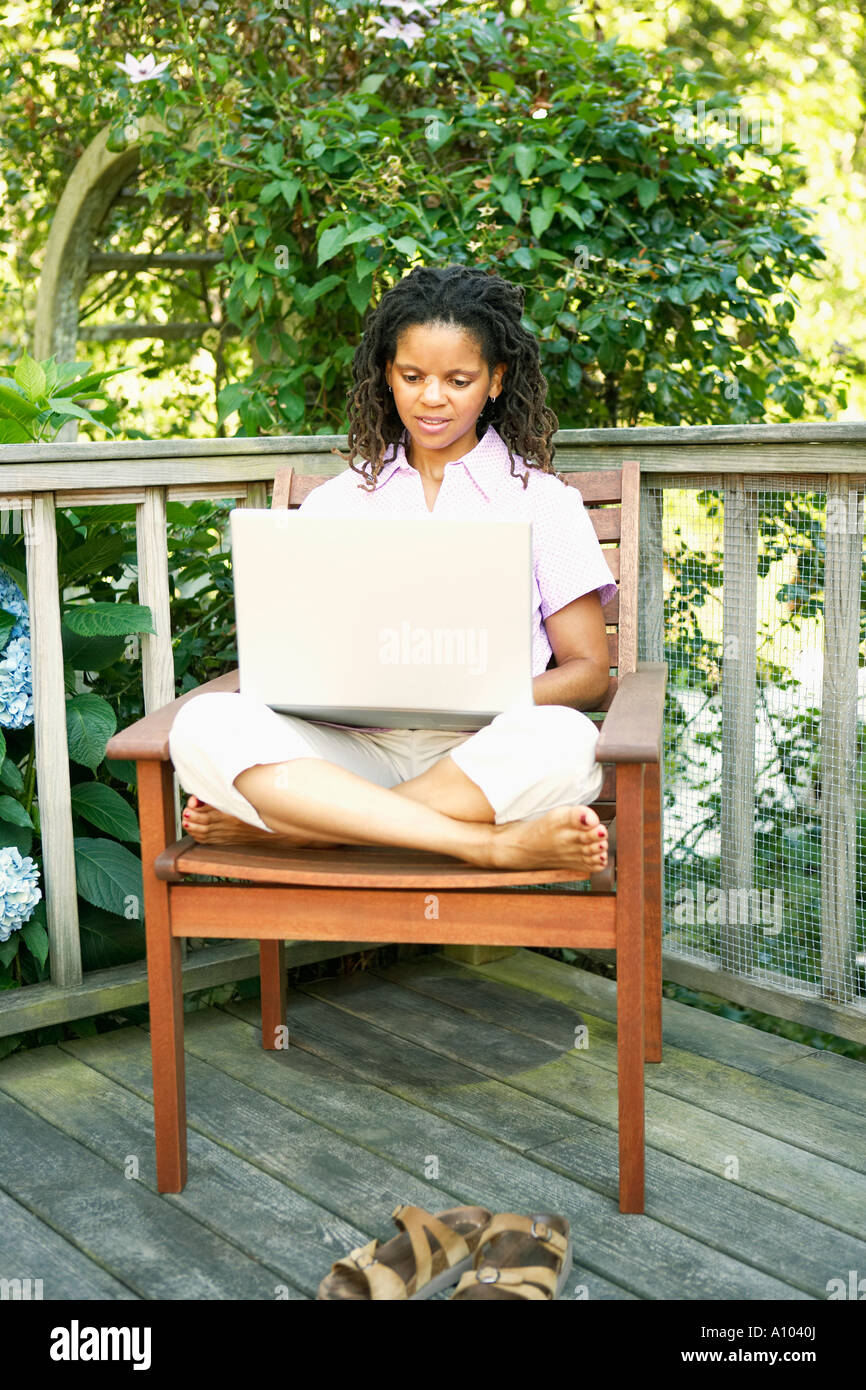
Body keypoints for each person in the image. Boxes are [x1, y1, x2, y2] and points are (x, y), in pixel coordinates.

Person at [170, 264, 617, 875]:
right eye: (413, 377)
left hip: (480, 752)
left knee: (569, 744)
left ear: (495, 381)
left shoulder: (544, 502)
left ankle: (313, 834)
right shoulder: (339, 503)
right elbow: (293, 653)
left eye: (459, 380)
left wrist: (480, 699)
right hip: (352, 747)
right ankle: (479, 843)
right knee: (203, 724)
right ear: (388, 376)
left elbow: (589, 674)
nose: (433, 398)